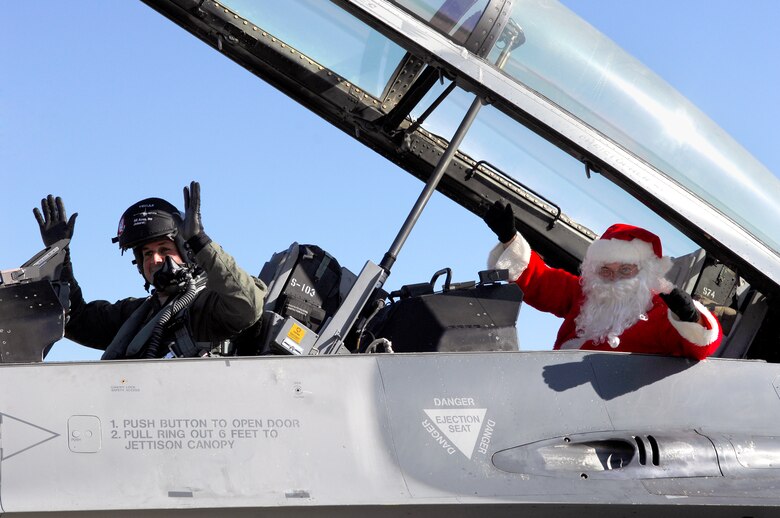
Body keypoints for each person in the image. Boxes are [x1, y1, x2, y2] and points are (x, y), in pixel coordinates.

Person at [33, 181, 266, 359]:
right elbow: (75, 320)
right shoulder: (137, 316)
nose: (154, 259)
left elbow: (248, 304)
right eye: (146, 253)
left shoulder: (208, 306)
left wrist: (200, 242)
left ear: (187, 252)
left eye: (164, 250)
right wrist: (59, 254)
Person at [483, 201, 722, 359]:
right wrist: (509, 239)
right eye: (605, 270)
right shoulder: (586, 294)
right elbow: (541, 281)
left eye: (625, 270)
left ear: (644, 272)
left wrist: (691, 317)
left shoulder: (660, 312)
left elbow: (701, 344)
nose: (614, 278)